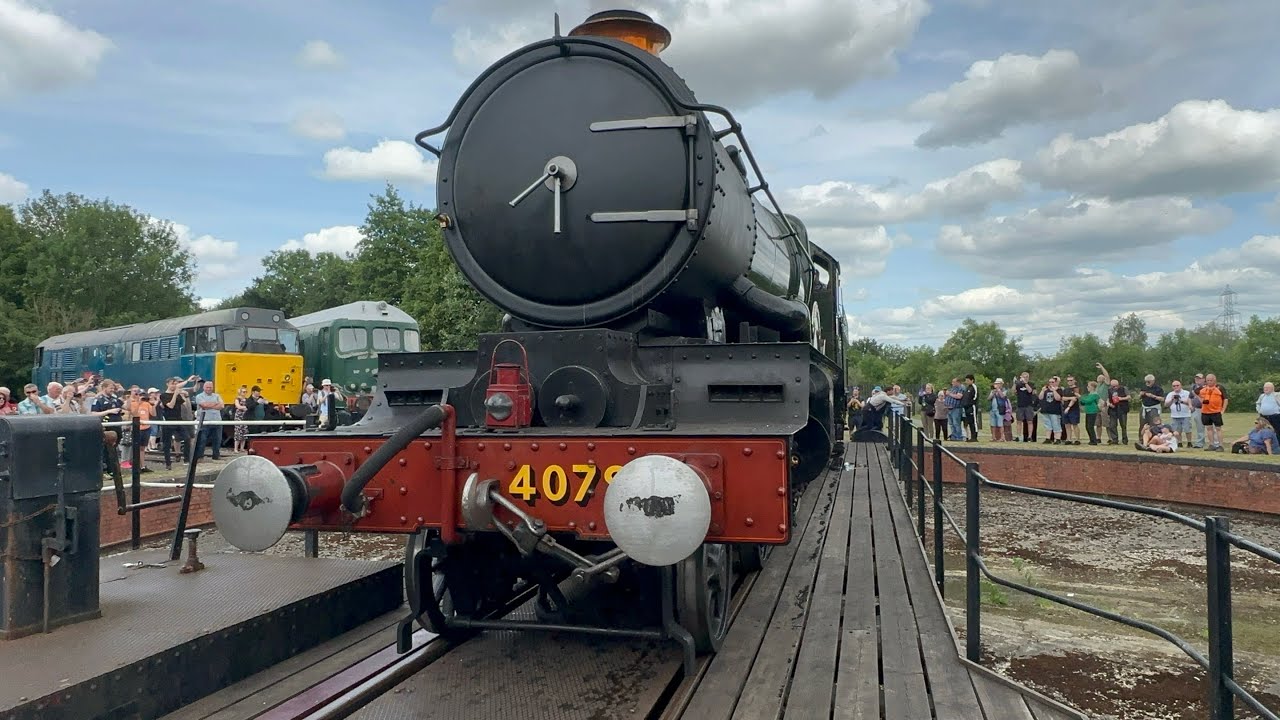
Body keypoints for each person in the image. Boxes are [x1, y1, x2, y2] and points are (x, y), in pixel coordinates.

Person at [193, 381, 225, 460]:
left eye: (210, 387)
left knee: (217, 440)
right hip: (204, 422)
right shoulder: (199, 396)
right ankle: (200, 457)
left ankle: (216, 456)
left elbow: (222, 406)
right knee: (202, 440)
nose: (209, 389)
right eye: (207, 387)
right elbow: (203, 405)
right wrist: (215, 404)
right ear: (203, 388)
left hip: (217, 421)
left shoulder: (217, 395)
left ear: (212, 388)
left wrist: (208, 405)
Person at [1197, 374, 1228, 452]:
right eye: (1208, 380)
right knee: (1209, 428)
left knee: (1218, 428)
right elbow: (1195, 392)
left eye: (1211, 380)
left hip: (1216, 411)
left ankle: (1220, 445)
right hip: (1205, 411)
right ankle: (1211, 444)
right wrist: (1201, 400)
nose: (1209, 382)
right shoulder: (1203, 388)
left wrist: (1223, 410)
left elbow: (1225, 399)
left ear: (1215, 380)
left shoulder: (1220, 387)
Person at [1164, 380, 1194, 448]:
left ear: (1181, 386)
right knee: (1177, 430)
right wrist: (1172, 399)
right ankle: (1179, 442)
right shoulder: (1170, 394)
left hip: (1185, 414)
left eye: (1177, 385)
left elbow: (1190, 402)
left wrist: (1180, 400)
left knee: (1187, 429)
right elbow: (1166, 404)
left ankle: (1189, 442)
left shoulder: (1186, 393)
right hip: (1175, 415)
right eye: (1174, 386)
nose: (1176, 387)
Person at [961, 374, 978, 442]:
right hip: (966, 408)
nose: (966, 381)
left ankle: (975, 436)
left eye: (968, 380)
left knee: (974, 421)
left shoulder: (974, 387)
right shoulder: (967, 388)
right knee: (970, 422)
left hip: (972, 407)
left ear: (972, 380)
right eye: (966, 380)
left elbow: (975, 396)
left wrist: (971, 403)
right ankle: (971, 436)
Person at [233, 387, 249, 453]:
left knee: (244, 432)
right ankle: (236, 448)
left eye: (245, 392)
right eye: (243, 392)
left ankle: (242, 448)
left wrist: (244, 408)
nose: (244, 393)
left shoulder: (247, 399)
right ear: (240, 392)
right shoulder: (237, 399)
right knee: (238, 432)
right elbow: (238, 406)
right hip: (239, 417)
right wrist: (244, 407)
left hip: (245, 417)